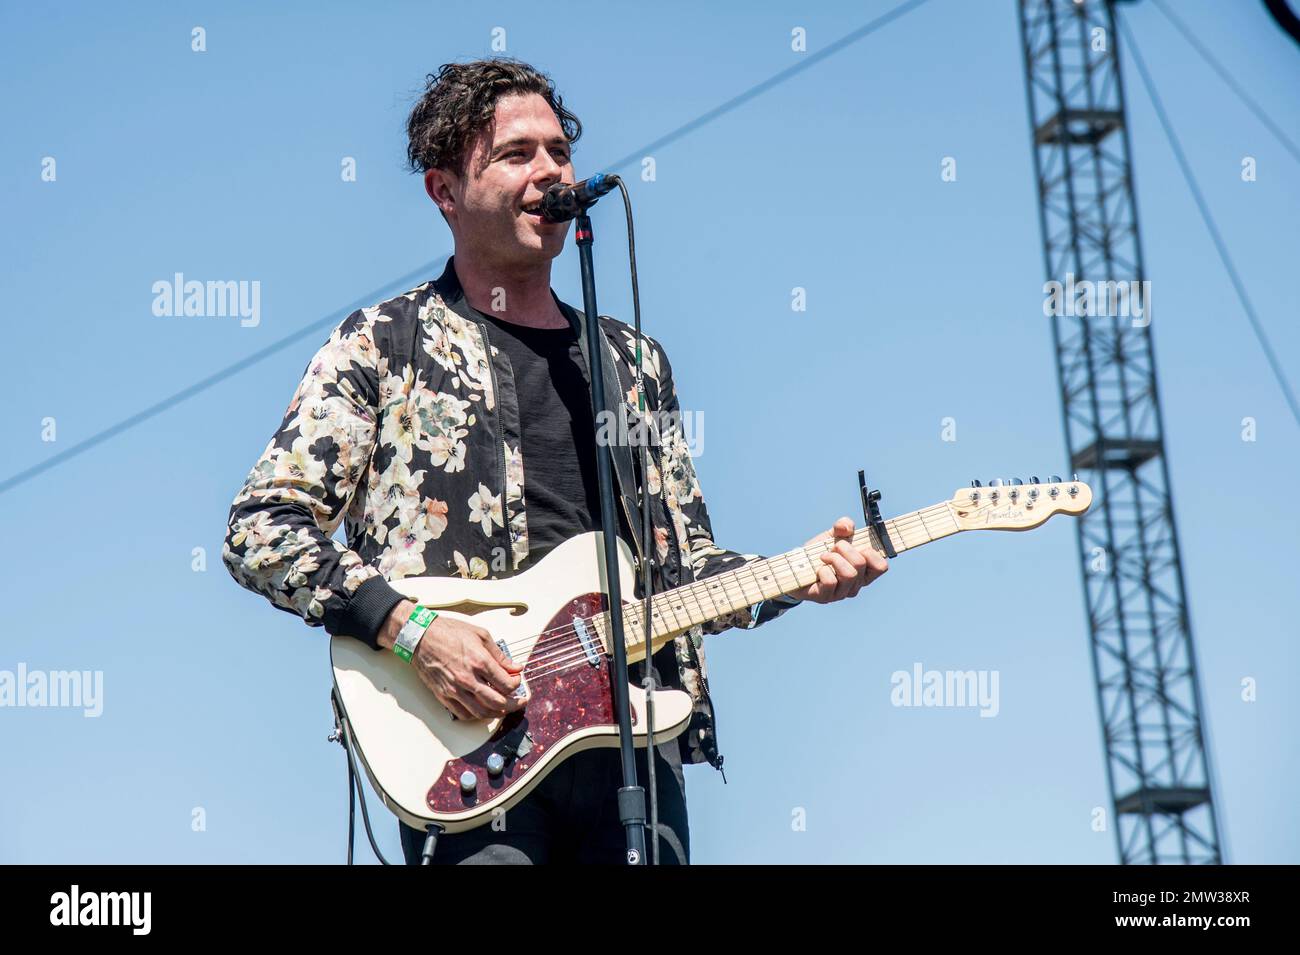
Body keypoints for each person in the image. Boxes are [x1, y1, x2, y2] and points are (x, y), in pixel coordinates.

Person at [222, 58, 887, 865]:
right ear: (444, 192)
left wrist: (801, 573)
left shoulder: (631, 363)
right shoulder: (384, 343)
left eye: (559, 151)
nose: (550, 171)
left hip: (632, 742)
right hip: (467, 751)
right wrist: (413, 631)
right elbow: (263, 527)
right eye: (517, 154)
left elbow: (682, 574)